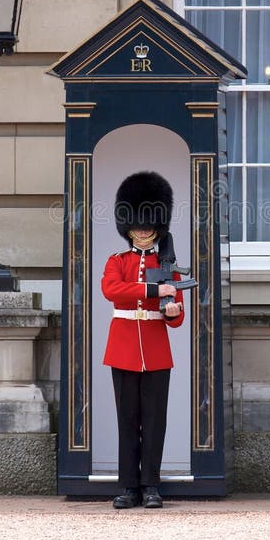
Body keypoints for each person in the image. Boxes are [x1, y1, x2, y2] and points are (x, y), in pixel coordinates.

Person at [101, 171, 185, 510]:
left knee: (154, 422)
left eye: (149, 226)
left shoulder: (167, 264)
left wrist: (171, 309)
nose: (143, 231)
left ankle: (151, 484)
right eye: (137, 225)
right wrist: (154, 290)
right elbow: (113, 291)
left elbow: (177, 318)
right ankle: (128, 486)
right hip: (122, 350)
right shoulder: (116, 261)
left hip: (155, 349)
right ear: (128, 227)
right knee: (127, 422)